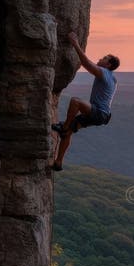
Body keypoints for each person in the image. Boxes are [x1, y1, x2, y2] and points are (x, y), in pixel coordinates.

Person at [51, 32, 119, 171]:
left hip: (99, 112)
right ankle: (58, 162)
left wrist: (75, 43)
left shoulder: (104, 73)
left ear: (108, 64)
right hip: (102, 115)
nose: (100, 58)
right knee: (70, 131)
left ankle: (64, 127)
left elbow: (86, 63)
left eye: (104, 58)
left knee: (75, 101)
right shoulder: (112, 77)